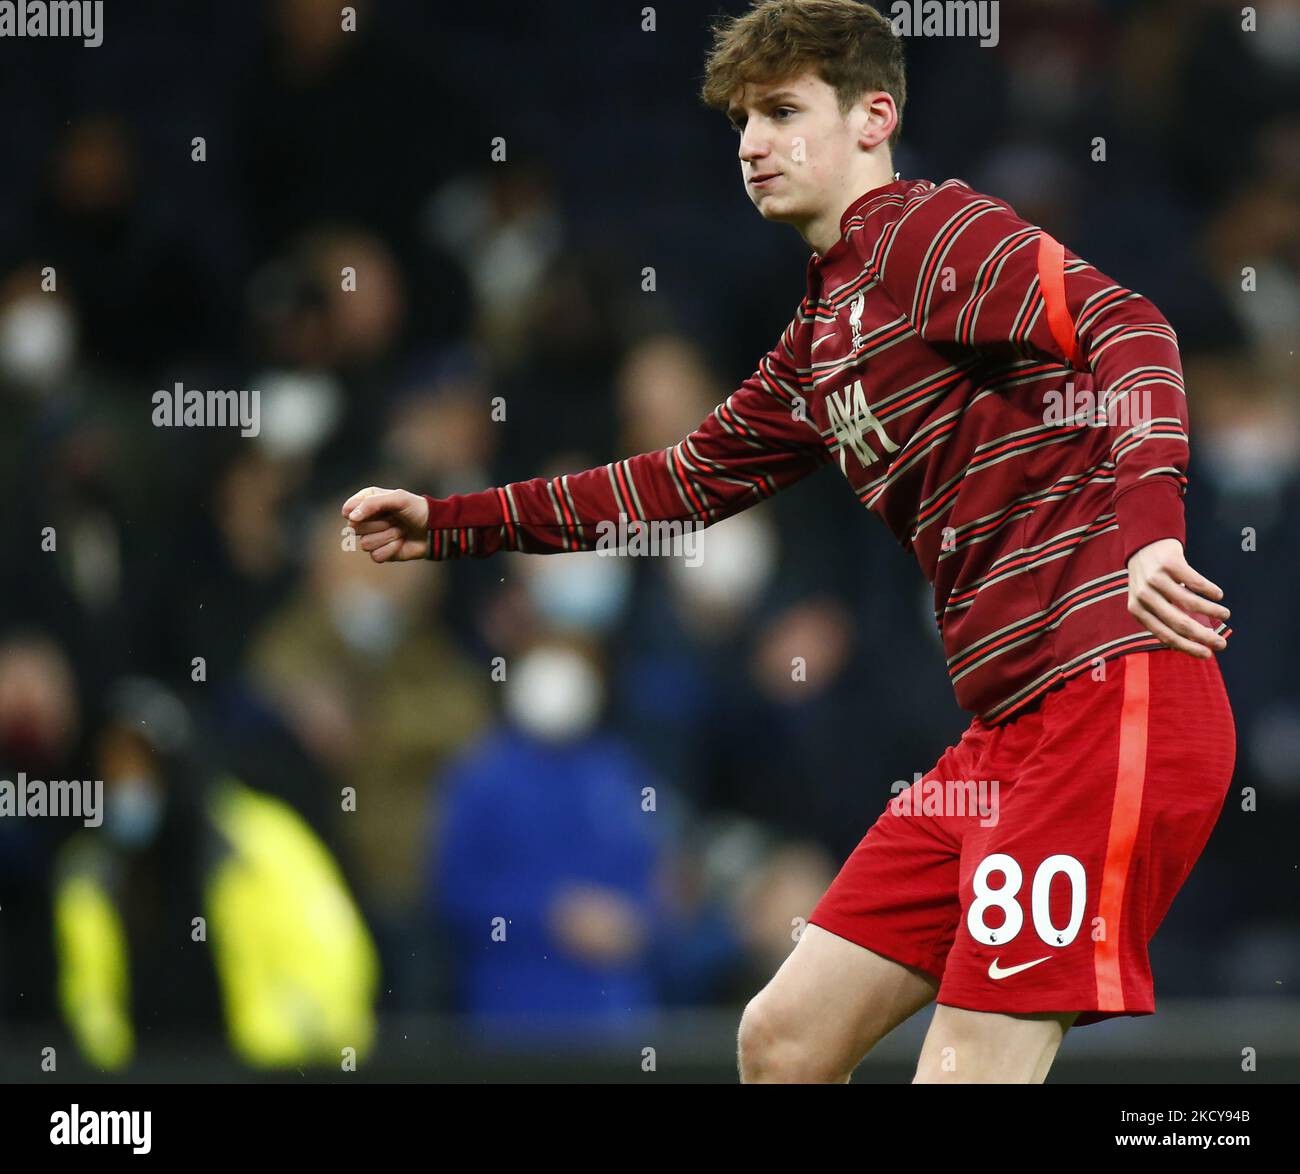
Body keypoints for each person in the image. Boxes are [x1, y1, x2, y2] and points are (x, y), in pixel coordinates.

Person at [340, 0, 1235, 1084]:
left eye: (780, 111)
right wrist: (449, 522)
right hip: (1004, 734)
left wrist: (1148, 529)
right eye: (738, 122)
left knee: (968, 1065)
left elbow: (1130, 328)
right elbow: (670, 486)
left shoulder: (929, 233)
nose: (752, 143)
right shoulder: (822, 336)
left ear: (874, 117)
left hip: (1108, 686)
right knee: (783, 1037)